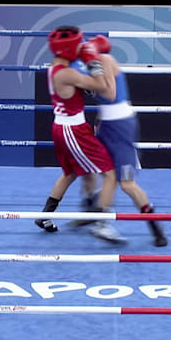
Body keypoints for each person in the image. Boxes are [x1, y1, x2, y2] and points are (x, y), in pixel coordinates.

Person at [74, 35, 168, 247]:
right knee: (94, 169)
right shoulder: (93, 64)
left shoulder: (105, 60)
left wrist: (88, 75)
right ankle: (95, 213)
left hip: (120, 126)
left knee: (126, 183)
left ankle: (155, 227)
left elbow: (110, 93)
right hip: (106, 124)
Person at [35, 25, 126, 244]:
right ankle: (103, 225)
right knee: (110, 174)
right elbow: (102, 86)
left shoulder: (56, 67)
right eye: (77, 45)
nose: (80, 48)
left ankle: (45, 216)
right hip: (74, 131)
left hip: (61, 126)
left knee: (70, 173)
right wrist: (92, 59)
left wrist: (84, 60)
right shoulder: (67, 73)